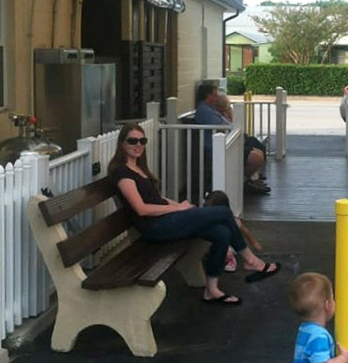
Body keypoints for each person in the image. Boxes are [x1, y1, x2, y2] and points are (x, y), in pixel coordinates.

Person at [108, 123, 279, 305]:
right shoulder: (122, 174)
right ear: (122, 144)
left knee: (222, 232)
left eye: (142, 140)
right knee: (222, 211)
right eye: (132, 141)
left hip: (166, 220)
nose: (138, 145)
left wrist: (182, 206)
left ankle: (211, 290)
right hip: (155, 228)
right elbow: (141, 208)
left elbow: (157, 199)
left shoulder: (139, 169)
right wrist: (178, 208)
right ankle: (250, 260)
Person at [204, 189, 262, 272]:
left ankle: (230, 260)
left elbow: (245, 231)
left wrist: (254, 242)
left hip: (228, 245)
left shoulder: (232, 220)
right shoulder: (207, 218)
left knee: (225, 249)